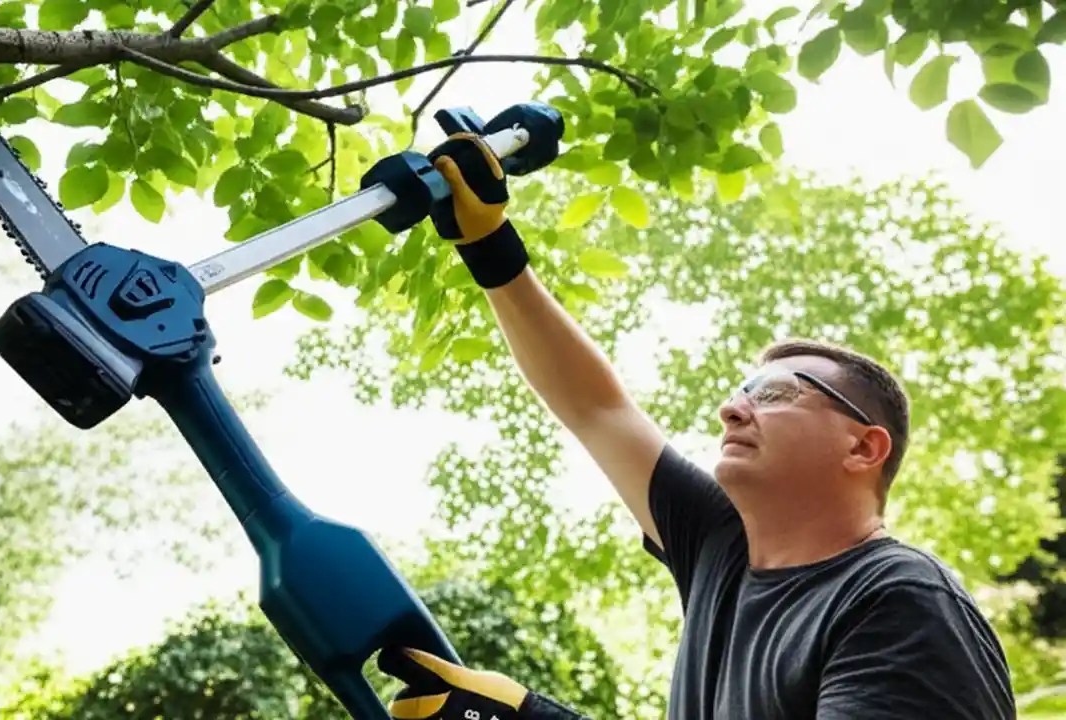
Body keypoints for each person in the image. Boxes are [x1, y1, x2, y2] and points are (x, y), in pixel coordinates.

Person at [376, 132, 1017, 720]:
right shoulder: (720, 544)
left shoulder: (900, 600)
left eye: (775, 393)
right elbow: (597, 409)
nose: (733, 409)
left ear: (863, 446)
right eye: (739, 392)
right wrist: (488, 244)